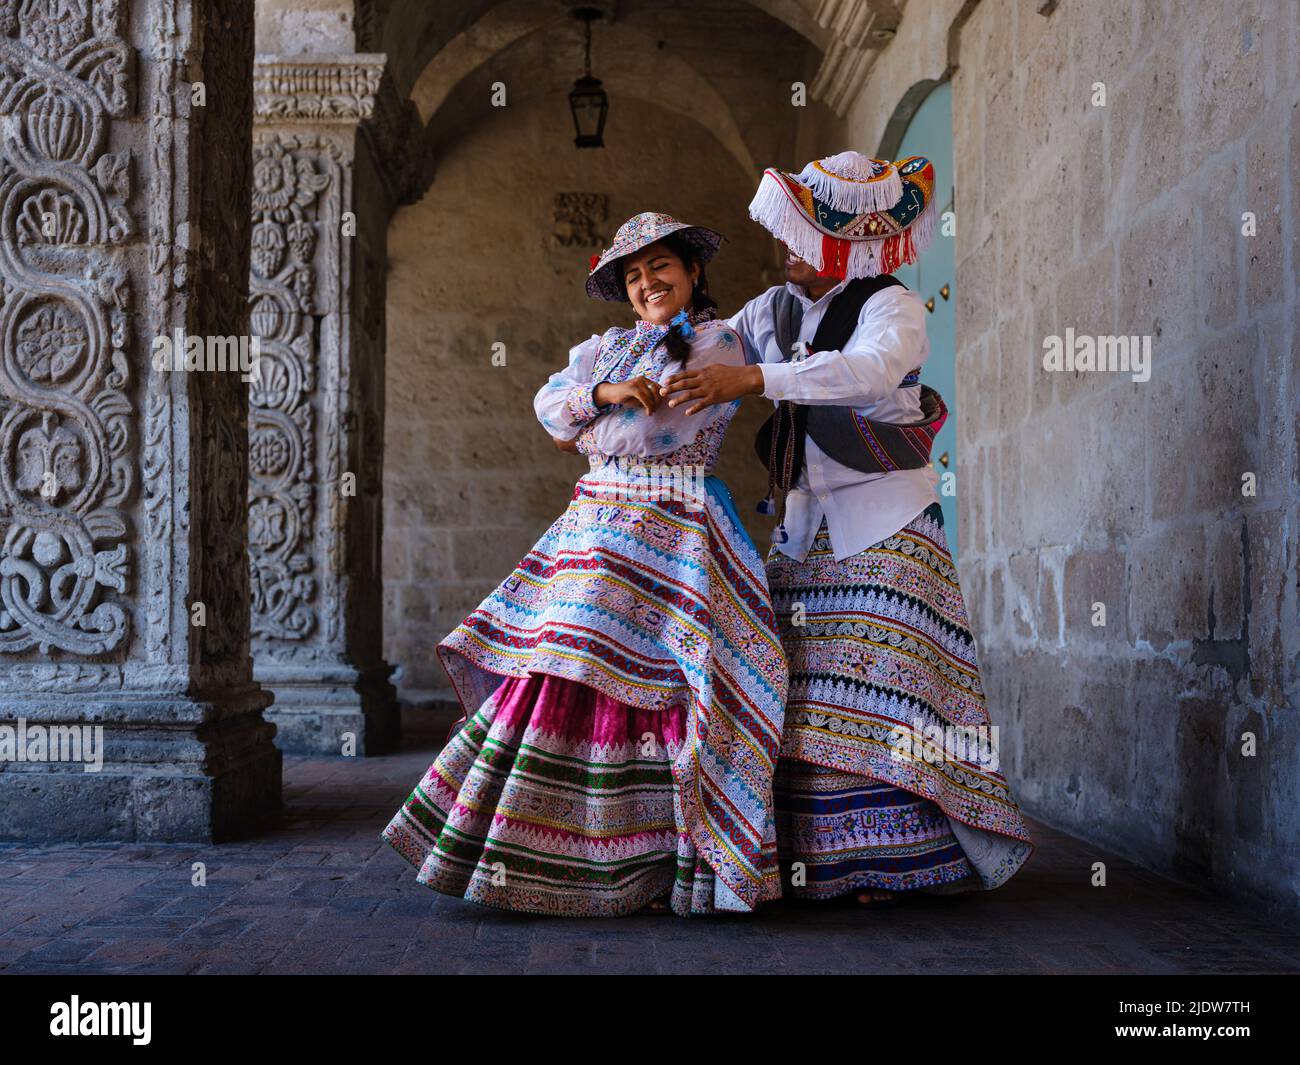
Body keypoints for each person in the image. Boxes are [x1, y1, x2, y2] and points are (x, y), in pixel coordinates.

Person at [382, 212, 787, 917]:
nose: (647, 282)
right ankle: (537, 854)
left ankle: (646, 863)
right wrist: (602, 394)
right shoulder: (605, 348)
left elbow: (658, 429)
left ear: (693, 273)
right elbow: (547, 408)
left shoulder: (718, 342)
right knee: (562, 664)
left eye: (660, 267)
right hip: (594, 530)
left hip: (670, 530)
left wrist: (588, 427)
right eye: (632, 276)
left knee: (657, 681)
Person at [660, 152, 1035, 906]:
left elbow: (867, 374)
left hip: (887, 526)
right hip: (802, 534)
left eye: (804, 235)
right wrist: (629, 362)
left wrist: (756, 379)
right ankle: (819, 864)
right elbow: (708, 354)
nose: (787, 249)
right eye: (789, 234)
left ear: (845, 245)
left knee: (885, 699)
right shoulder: (774, 310)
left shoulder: (891, 307)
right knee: (798, 695)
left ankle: (900, 866)